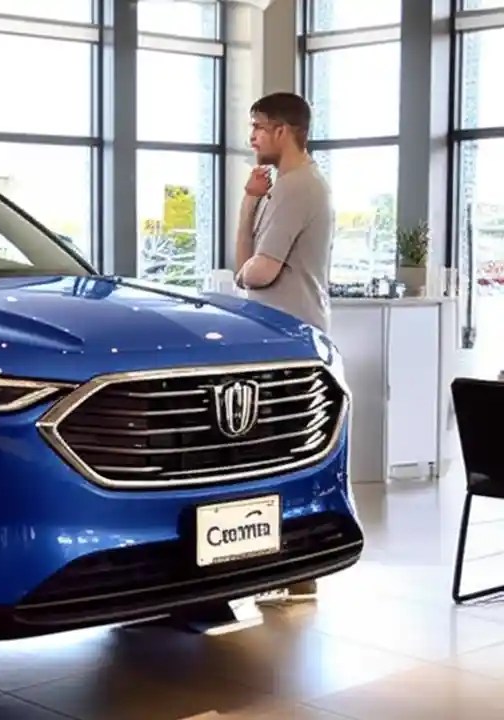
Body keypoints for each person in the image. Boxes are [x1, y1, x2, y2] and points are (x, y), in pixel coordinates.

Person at [234, 91, 335, 603]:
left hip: (293, 339)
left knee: (282, 455)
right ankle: (289, 569)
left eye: (257, 127)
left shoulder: (299, 189)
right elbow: (244, 266)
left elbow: (258, 270)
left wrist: (246, 271)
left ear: (282, 131)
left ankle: (297, 570)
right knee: (274, 453)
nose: (251, 136)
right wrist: (250, 199)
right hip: (279, 335)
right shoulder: (283, 188)